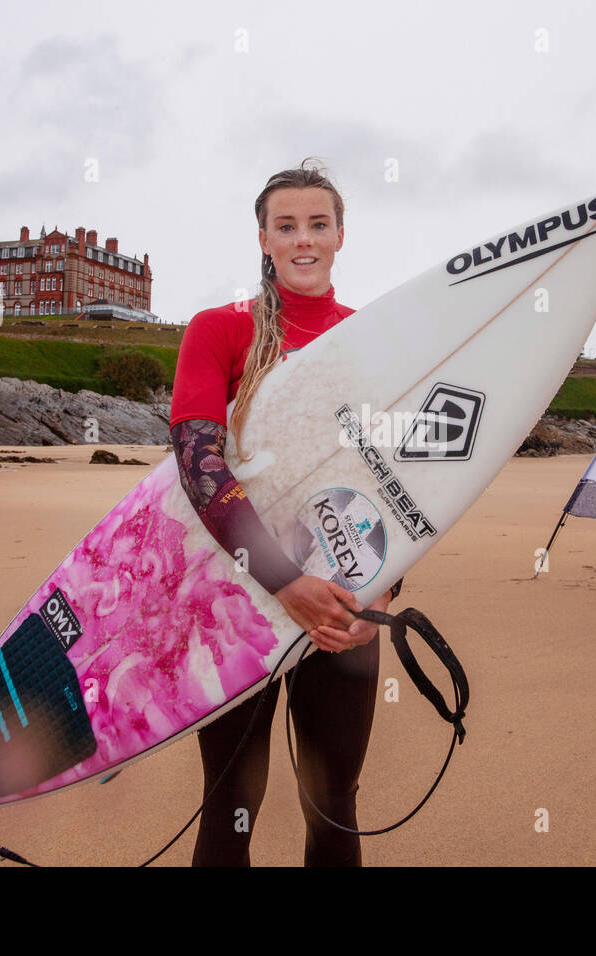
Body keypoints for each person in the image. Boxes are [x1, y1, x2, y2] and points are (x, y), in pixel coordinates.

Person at [168, 161, 400, 866]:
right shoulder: (219, 330)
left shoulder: (370, 340)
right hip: (235, 599)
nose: (304, 240)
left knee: (335, 811)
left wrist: (386, 585)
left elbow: (396, 482)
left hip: (341, 604)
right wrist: (283, 582)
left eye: (318, 225)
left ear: (339, 236)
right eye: (287, 225)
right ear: (264, 238)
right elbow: (199, 464)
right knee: (231, 804)